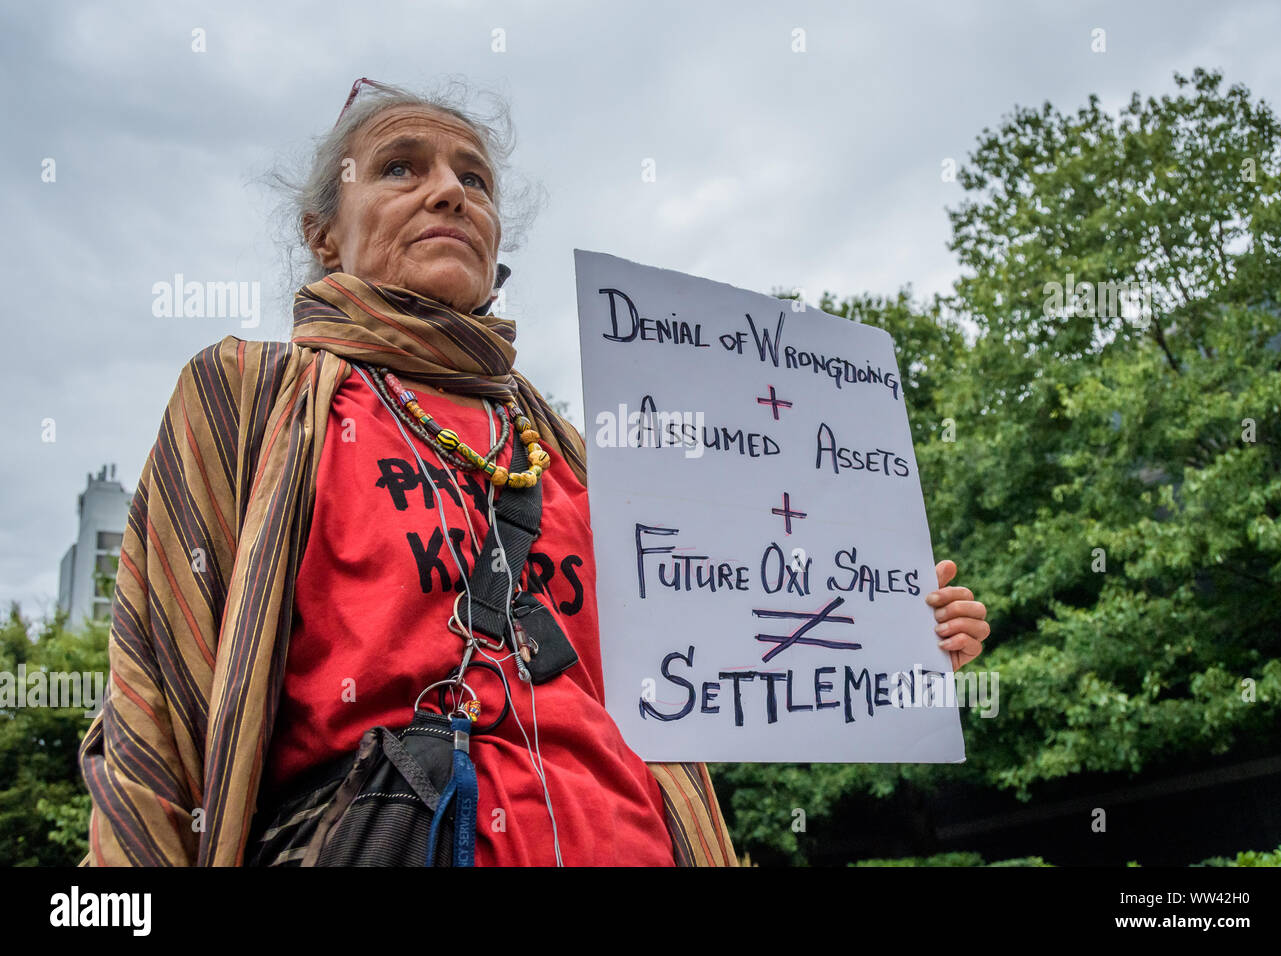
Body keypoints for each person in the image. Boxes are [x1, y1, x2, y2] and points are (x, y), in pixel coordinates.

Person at [77, 77, 989, 866]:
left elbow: (726, 664)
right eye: (403, 167)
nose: (450, 192)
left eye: (475, 177)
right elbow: (153, 710)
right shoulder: (251, 394)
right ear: (323, 234)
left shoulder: (572, 449)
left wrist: (891, 634)